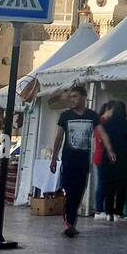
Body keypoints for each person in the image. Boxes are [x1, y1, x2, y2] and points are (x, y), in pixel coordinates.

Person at [49, 84, 98, 237]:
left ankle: (71, 221)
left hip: (83, 160)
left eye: (76, 96)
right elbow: (59, 137)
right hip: (68, 159)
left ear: (84, 97)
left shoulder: (92, 116)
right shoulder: (65, 116)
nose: (73, 100)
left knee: (79, 191)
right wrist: (54, 158)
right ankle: (69, 222)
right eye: (71, 97)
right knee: (70, 190)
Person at [98, 100, 127, 222]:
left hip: (109, 158)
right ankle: (118, 213)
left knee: (109, 186)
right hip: (124, 159)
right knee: (122, 187)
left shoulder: (107, 124)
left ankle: (108, 212)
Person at [92, 103, 113, 220]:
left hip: (102, 156)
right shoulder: (101, 121)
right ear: (107, 109)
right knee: (101, 183)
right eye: (112, 111)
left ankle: (102, 208)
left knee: (104, 183)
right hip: (101, 156)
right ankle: (99, 210)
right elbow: (100, 139)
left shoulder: (103, 121)